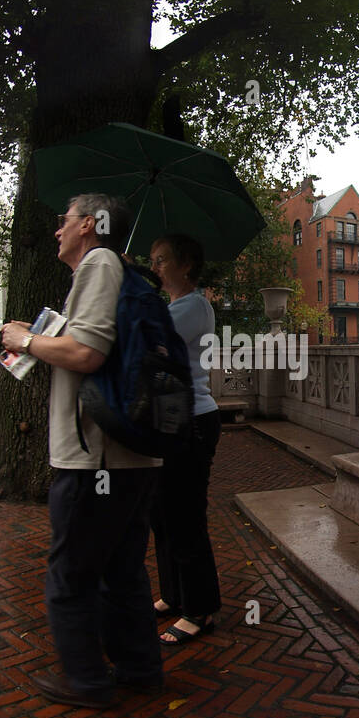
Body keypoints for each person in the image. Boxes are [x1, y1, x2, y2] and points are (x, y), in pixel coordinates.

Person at [0, 193, 163, 708]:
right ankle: (139, 669)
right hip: (129, 458)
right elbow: (90, 345)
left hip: (95, 459)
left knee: (70, 574)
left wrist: (22, 341)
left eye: (64, 220)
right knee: (123, 571)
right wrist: (40, 333)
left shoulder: (98, 262)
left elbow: (86, 353)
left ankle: (86, 681)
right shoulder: (118, 270)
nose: (57, 231)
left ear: (90, 225)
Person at [147, 234, 225, 646]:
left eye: (162, 261)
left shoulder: (192, 306)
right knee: (162, 513)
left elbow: (145, 335)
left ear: (186, 266)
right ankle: (174, 594)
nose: (155, 267)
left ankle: (200, 609)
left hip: (193, 420)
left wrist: (131, 284)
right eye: (153, 261)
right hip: (172, 420)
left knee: (185, 516)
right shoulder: (172, 306)